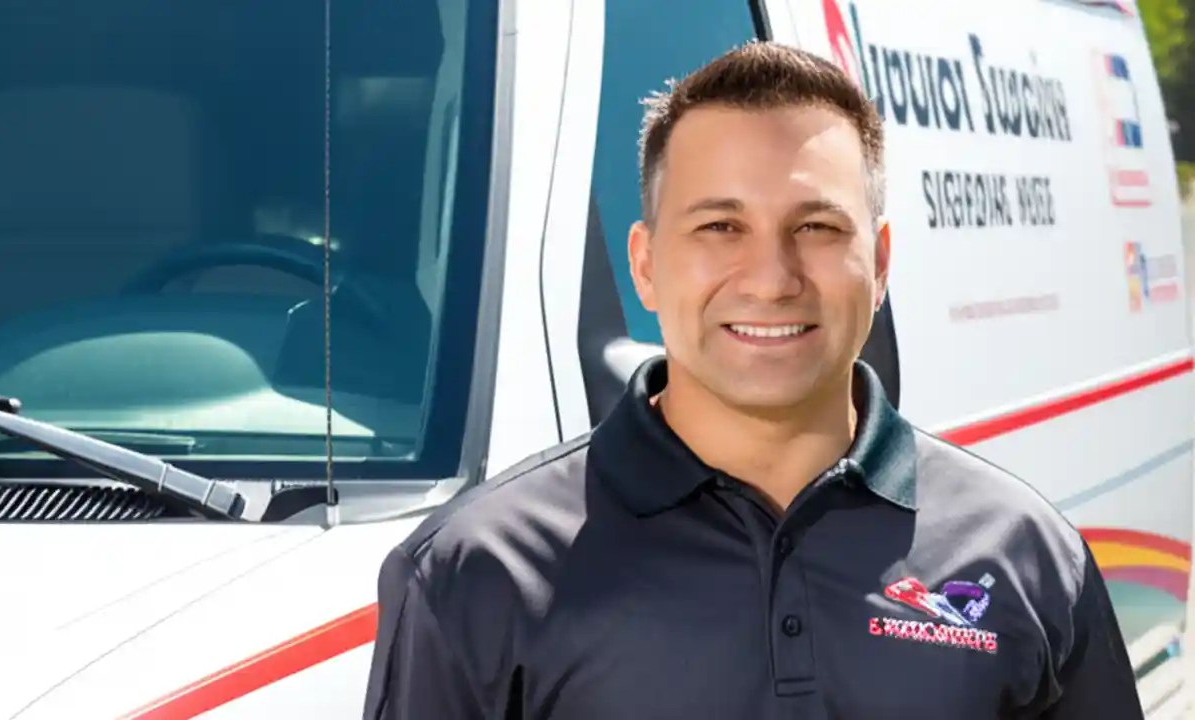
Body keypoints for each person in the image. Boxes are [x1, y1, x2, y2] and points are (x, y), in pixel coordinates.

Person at [361, 41, 1145, 719]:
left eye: (815, 227)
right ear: (645, 263)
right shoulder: (476, 570)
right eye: (720, 226)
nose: (771, 279)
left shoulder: (1027, 553)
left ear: (880, 264)